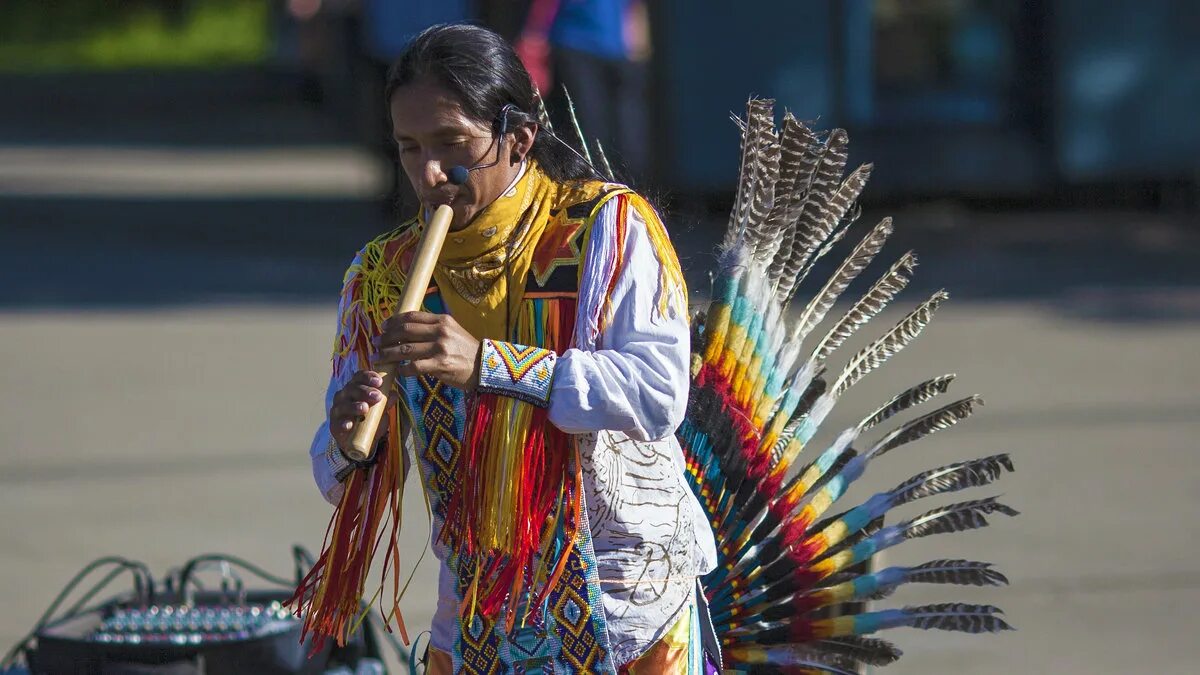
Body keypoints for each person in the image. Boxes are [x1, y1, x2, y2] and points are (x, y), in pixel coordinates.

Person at [305, 23, 717, 674]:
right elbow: (336, 472)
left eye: (452, 144)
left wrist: (490, 365)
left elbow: (657, 393)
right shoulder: (385, 275)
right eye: (409, 148)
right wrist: (348, 433)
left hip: (624, 615)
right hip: (479, 620)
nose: (430, 173)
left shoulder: (606, 231)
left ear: (518, 136)